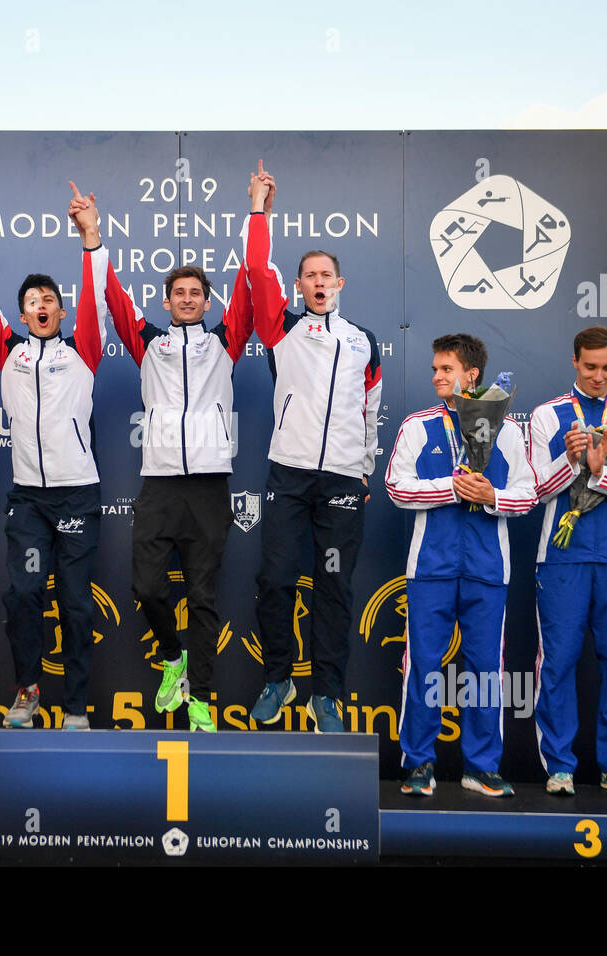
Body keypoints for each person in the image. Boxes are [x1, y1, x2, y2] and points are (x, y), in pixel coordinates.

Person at [87, 181, 256, 732]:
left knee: (204, 598)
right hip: (159, 485)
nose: (186, 299)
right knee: (147, 588)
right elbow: (112, 300)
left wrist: (256, 212)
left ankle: (202, 696)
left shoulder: (225, 343)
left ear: (208, 303)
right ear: (166, 301)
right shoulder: (149, 346)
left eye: (195, 294)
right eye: (178, 293)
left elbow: (256, 286)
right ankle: (173, 659)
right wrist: (93, 237)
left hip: (209, 487)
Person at [0, 182, 107, 731]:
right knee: (23, 595)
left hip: (78, 495)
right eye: (31, 303)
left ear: (62, 311)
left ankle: (79, 705)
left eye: (49, 302)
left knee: (79, 605)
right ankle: (29, 689)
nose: (40, 308)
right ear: (23, 314)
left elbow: (95, 295)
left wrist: (90, 239)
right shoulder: (8, 351)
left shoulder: (84, 348)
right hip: (29, 500)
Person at [243, 161, 382, 733]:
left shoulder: (363, 342)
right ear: (299, 286)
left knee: (334, 588)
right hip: (290, 476)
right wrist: (258, 209)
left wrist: (365, 467)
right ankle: (280, 677)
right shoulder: (282, 330)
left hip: (344, 481)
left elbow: (370, 411)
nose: (319, 283)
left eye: (328, 275)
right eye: (310, 276)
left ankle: (326, 693)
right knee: (274, 580)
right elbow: (255, 267)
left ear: (340, 284)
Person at [385, 334, 536, 796]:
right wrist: (450, 489)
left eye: (446, 369)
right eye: (434, 369)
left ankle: (482, 766)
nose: (436, 376)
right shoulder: (417, 425)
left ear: (471, 374)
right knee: (424, 665)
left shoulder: (509, 430)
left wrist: (492, 497)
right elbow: (396, 486)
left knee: (486, 669)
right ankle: (418, 764)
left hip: (488, 569)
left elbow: (528, 494)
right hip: (430, 566)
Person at [528, 326, 607, 796]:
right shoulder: (547, 416)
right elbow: (536, 488)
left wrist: (600, 472)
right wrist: (569, 460)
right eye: (590, 367)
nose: (599, 377)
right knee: (557, 661)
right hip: (562, 556)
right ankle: (559, 766)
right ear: (574, 362)